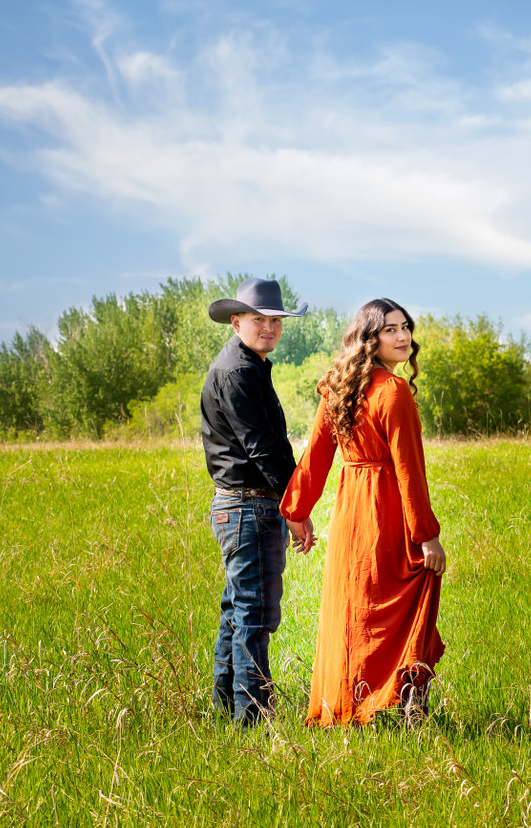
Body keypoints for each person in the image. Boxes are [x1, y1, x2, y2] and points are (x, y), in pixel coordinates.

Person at [281, 298, 447, 726]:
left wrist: (297, 510)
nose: (403, 336)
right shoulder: (393, 391)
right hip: (386, 507)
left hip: (350, 511)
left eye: (406, 327)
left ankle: (353, 702)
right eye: (391, 329)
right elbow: (409, 469)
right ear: (369, 338)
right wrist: (426, 535)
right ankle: (408, 706)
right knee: (414, 596)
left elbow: (316, 457)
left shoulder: (338, 386)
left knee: (356, 605)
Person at [201, 277, 316, 726]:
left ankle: (227, 715)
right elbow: (264, 448)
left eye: (275, 321)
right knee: (255, 614)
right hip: (250, 506)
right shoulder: (240, 371)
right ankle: (252, 720)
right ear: (236, 322)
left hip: (243, 505)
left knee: (238, 611)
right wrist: (296, 509)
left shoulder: (247, 364)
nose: (268, 328)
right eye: (258, 320)